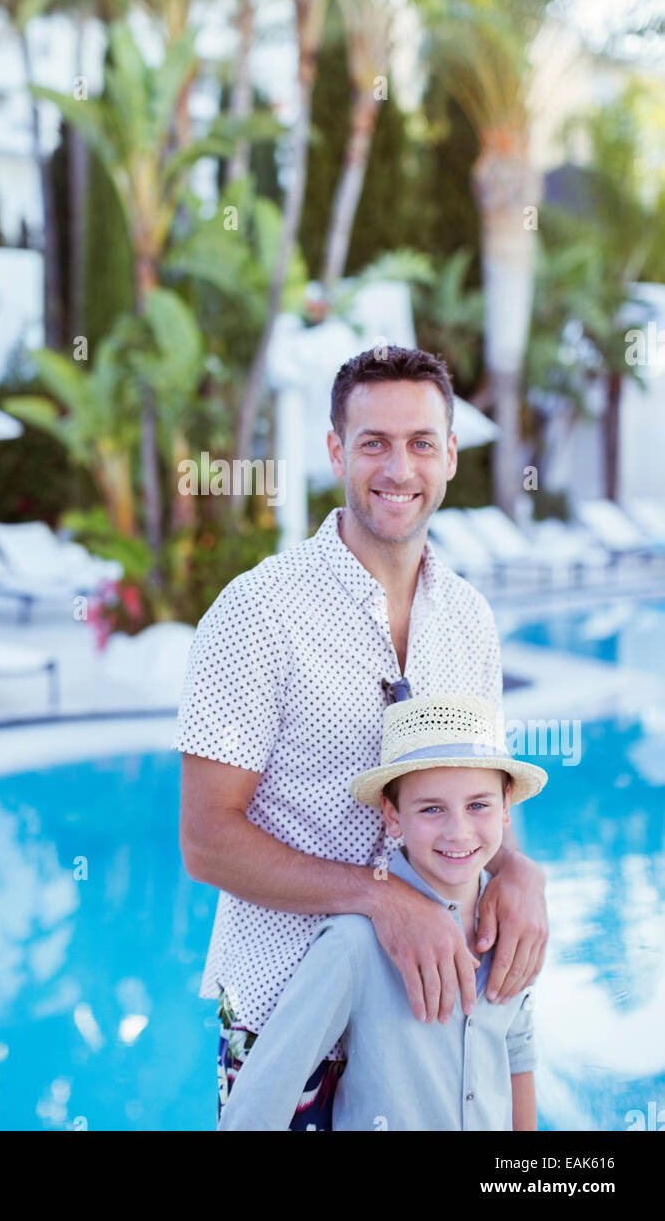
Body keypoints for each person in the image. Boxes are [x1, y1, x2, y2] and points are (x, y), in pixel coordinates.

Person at [176, 345, 548, 1130]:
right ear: (337, 452)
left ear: (450, 456)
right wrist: (381, 902)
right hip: (285, 1009)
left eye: (421, 443)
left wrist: (520, 869)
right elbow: (206, 840)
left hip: (429, 1007)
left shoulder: (471, 618)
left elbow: (483, 793)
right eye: (373, 442)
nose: (398, 468)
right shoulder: (256, 612)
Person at [217, 692, 547, 1131]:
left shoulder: (513, 925)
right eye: (431, 809)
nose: (458, 830)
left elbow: (517, 1052)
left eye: (478, 805)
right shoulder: (353, 945)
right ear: (392, 816)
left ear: (506, 808)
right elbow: (255, 1108)